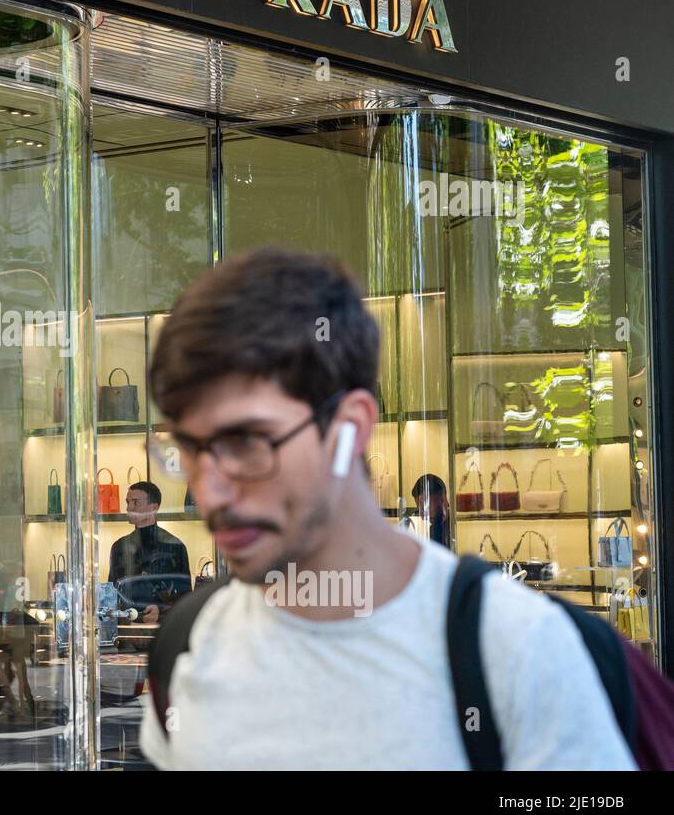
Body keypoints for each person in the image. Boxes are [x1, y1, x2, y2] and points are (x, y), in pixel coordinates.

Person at [140, 246, 634, 769]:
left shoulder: (513, 646)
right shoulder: (191, 640)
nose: (210, 492)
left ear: (349, 428)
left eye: (245, 443)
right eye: (190, 451)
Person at [108, 481, 190, 626]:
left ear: (154, 507)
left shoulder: (174, 545)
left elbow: (185, 595)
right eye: (127, 502)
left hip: (163, 627)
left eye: (136, 502)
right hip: (126, 629)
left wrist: (162, 611)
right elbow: (111, 594)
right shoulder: (119, 546)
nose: (129, 508)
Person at [411, 473, 450, 548]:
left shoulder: (455, 528)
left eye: (424, 509)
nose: (422, 517)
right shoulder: (434, 530)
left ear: (442, 500)